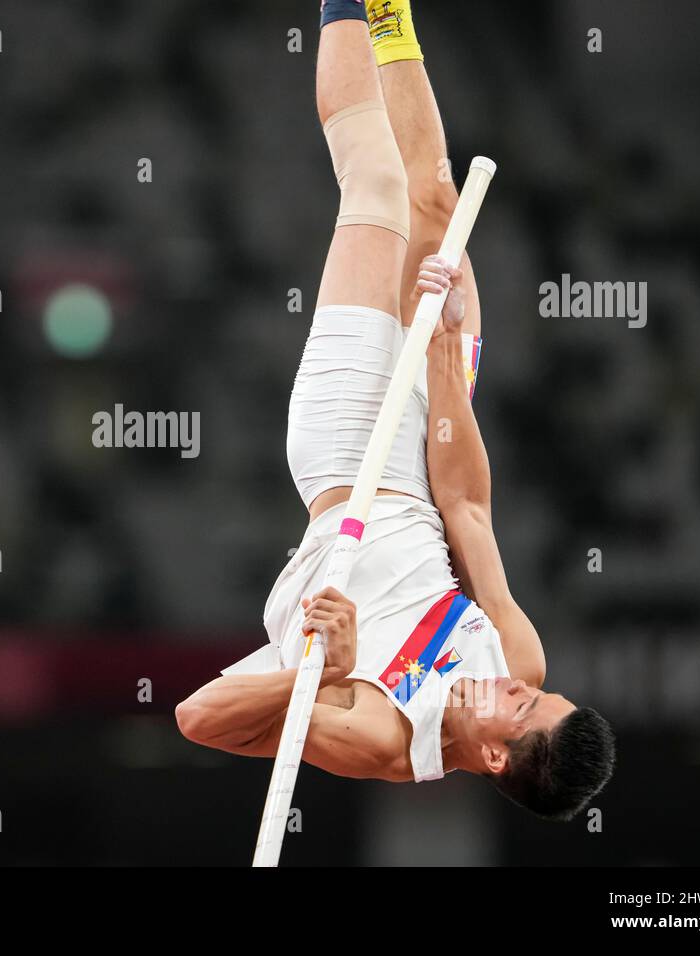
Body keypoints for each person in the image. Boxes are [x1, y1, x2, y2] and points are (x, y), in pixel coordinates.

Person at [175, 0, 615, 821]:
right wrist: (447, 366)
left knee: (373, 187)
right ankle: (386, 14)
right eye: (540, 694)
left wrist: (328, 675)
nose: (523, 684)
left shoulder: (381, 737)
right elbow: (467, 509)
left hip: (343, 456)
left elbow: (196, 718)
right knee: (437, 201)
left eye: (521, 706)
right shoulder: (517, 653)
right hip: (424, 448)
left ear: (491, 755)